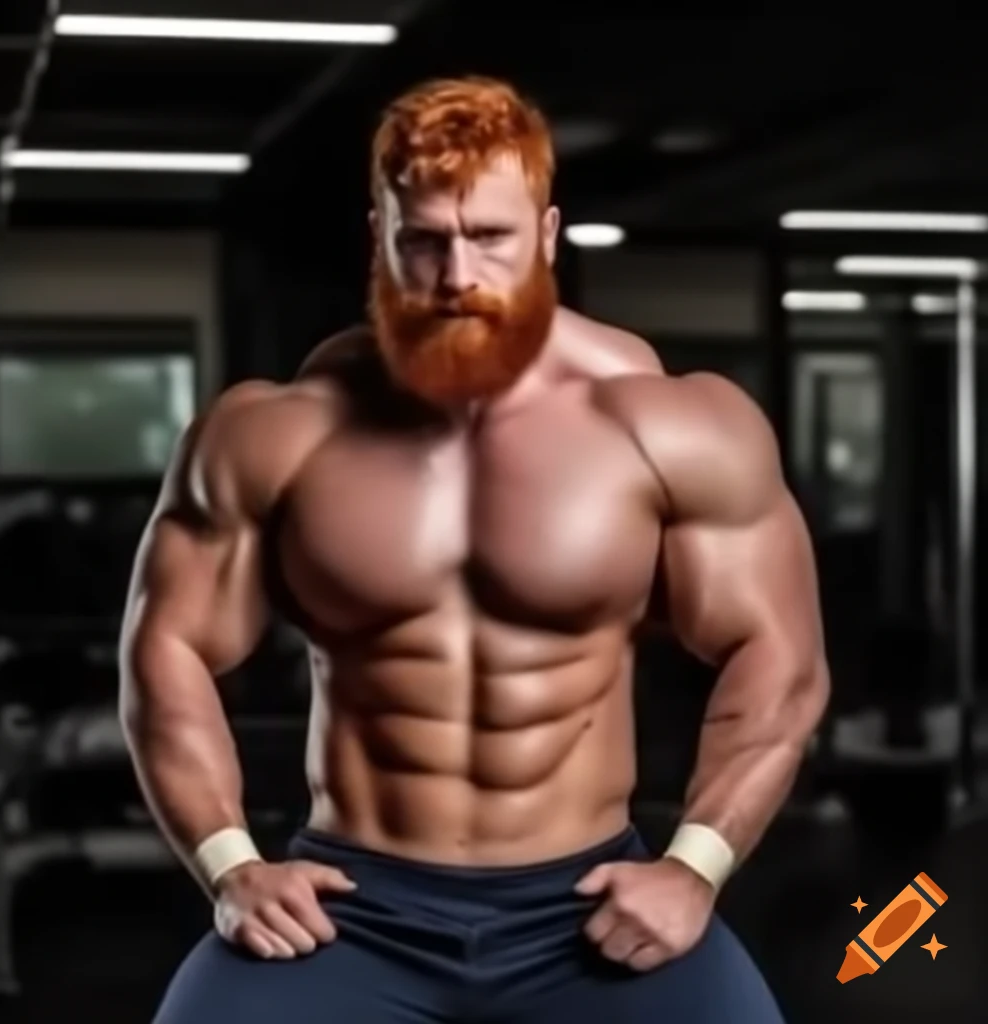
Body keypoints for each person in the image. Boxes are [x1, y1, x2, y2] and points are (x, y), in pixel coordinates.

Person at [120, 76, 830, 1023]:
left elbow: (780, 655)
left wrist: (693, 868)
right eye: (424, 240)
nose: (458, 275)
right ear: (378, 238)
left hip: (591, 904)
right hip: (349, 909)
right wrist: (231, 865)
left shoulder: (668, 425)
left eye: (491, 236)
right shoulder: (274, 435)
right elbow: (164, 648)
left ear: (547, 235)